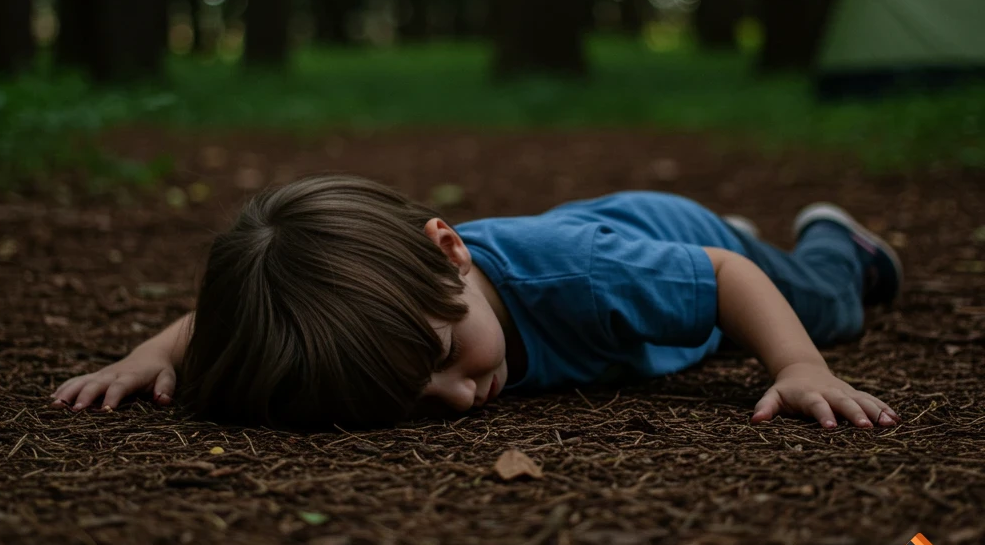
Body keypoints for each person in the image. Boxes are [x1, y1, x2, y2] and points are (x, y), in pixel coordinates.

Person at [49, 174, 904, 432]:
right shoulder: (376, 309)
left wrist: (796, 367)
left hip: (694, 248)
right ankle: (673, 261)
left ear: (450, 251)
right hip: (622, 251)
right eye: (414, 400)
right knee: (659, 278)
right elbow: (247, 314)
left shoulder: (572, 281)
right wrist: (155, 354)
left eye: (443, 358)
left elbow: (726, 280)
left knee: (826, 304)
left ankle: (837, 237)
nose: (458, 395)